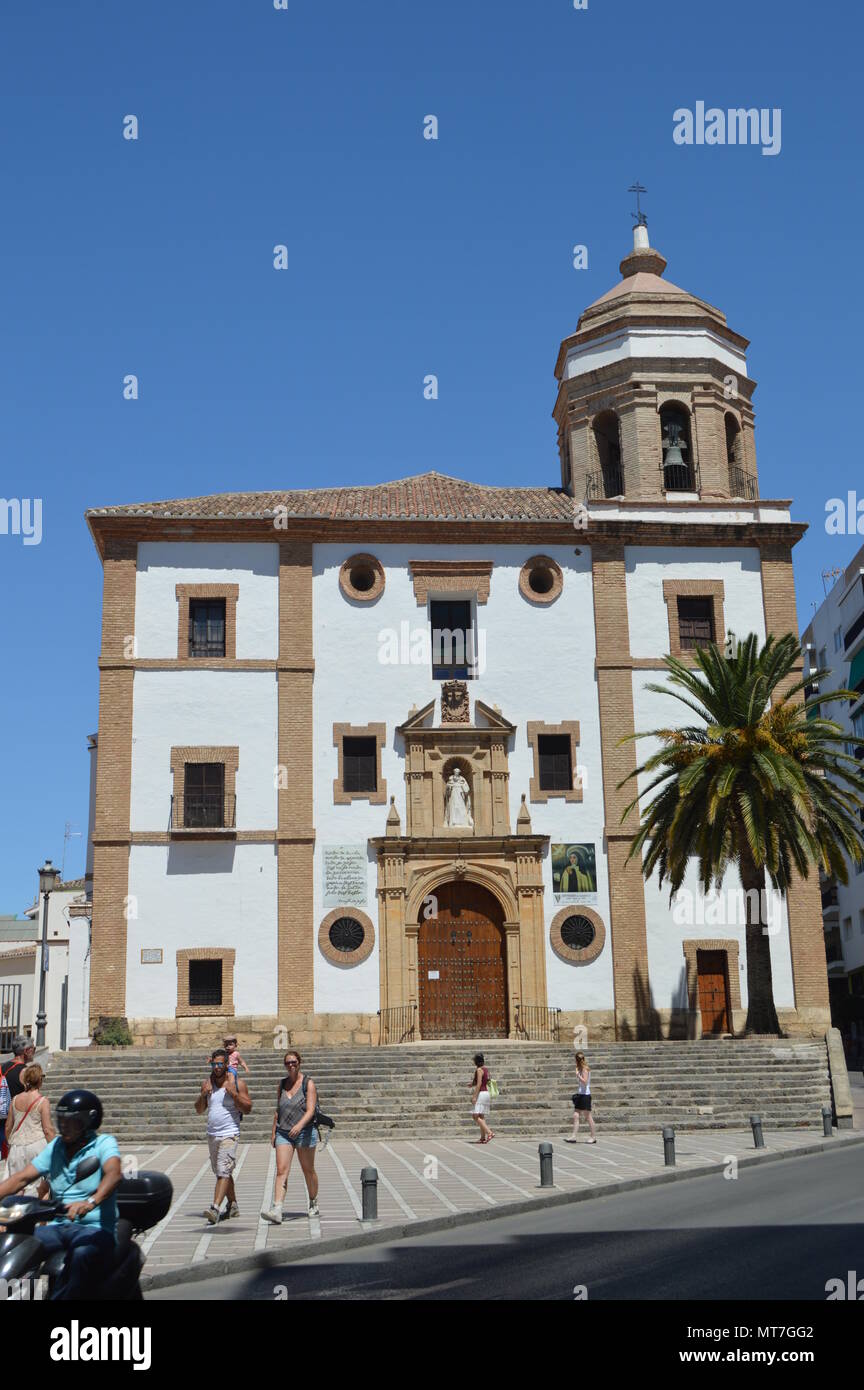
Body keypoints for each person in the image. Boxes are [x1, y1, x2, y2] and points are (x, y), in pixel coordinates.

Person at [0, 1089, 122, 1300]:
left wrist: (90, 1202)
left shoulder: (104, 1144)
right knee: (20, 1245)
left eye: (71, 1121)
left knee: (82, 1255)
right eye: (62, 1120)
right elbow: (22, 1178)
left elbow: (113, 1174)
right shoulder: (56, 1146)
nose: (63, 1125)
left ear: (88, 1121)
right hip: (58, 1226)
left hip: (94, 1228)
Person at [261, 1051, 320, 1224]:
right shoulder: (282, 1084)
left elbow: (310, 1110)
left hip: (305, 1131)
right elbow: (278, 1110)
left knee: (308, 1170)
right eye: (287, 1063)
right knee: (281, 1170)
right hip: (283, 1132)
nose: (291, 1065)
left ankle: (313, 1201)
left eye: (294, 1062)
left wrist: (299, 1125)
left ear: (299, 1062)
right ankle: (277, 1208)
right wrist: (273, 1132)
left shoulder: (308, 1084)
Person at [195, 1047, 251, 1224]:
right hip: (212, 1134)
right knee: (222, 1171)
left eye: (221, 1063)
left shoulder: (237, 1083)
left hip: (230, 1133)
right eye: (215, 1063)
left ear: (227, 1064)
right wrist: (203, 1095)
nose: (217, 1067)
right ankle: (233, 1205)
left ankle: (215, 1208)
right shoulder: (207, 1084)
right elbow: (199, 1109)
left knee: (223, 1171)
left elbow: (248, 1108)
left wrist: (233, 1093)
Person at [5, 1063, 54, 1194]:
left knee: (16, 1187)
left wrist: (10, 1143)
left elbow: (8, 1126)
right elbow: (47, 1129)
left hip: (16, 1147)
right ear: (40, 1080)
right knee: (38, 1188)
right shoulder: (43, 1101)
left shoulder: (15, 1099)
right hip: (37, 1146)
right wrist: (54, 1147)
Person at [566, 1051, 597, 1143]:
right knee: (576, 1115)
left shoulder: (584, 1069)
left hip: (585, 1095)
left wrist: (578, 1075)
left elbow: (585, 1082)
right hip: (580, 1094)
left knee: (588, 1116)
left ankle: (593, 1136)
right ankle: (573, 1136)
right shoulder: (579, 1068)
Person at [470, 1052, 494, 1144]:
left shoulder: (479, 1070)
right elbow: (486, 1081)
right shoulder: (486, 1069)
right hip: (486, 1093)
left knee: (475, 1116)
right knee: (481, 1116)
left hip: (481, 1093)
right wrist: (471, 1084)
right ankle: (482, 1137)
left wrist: (474, 1096)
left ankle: (490, 1133)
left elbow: (479, 1083)